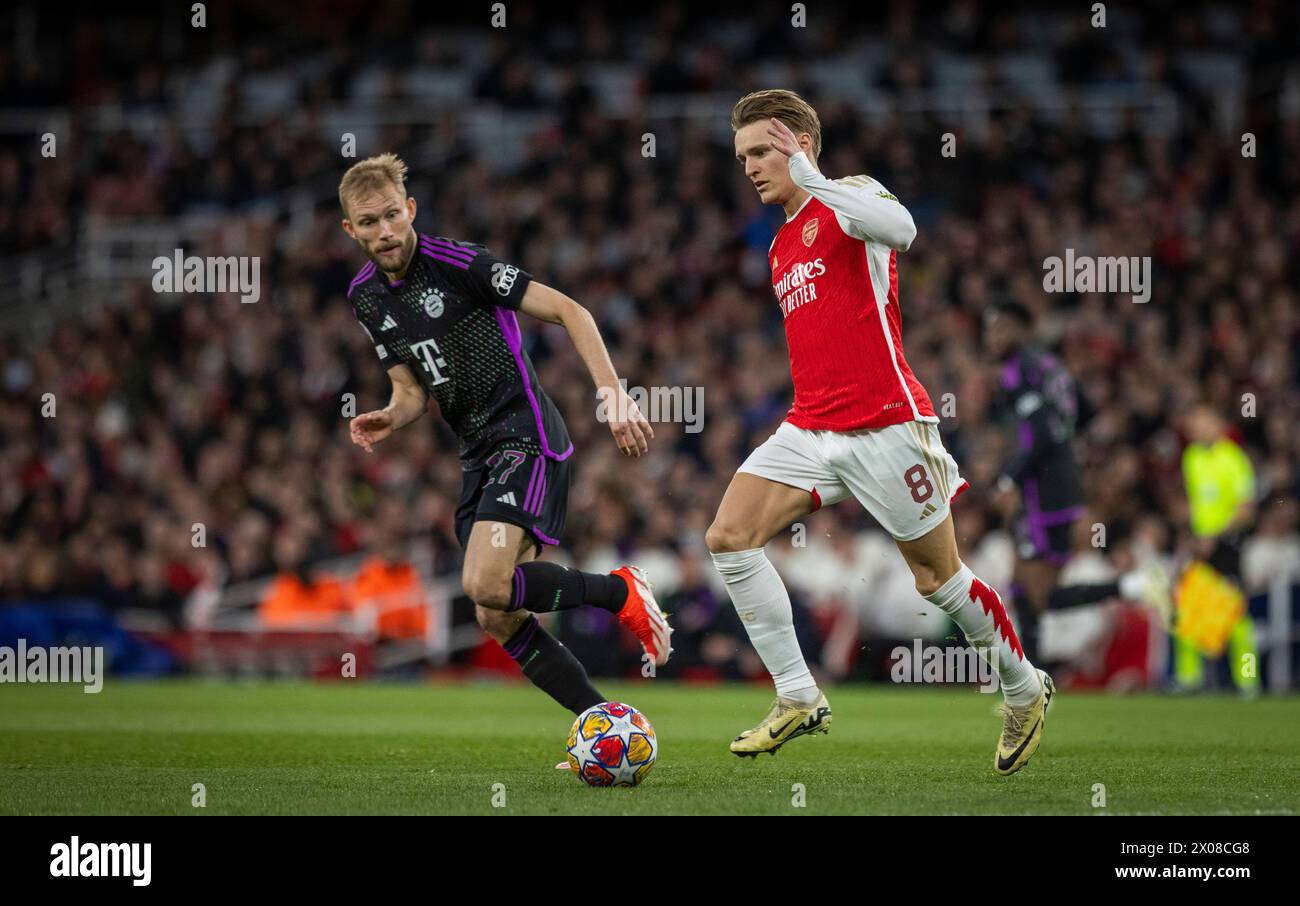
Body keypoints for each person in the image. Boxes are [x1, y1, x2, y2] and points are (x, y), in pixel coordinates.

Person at [709, 90, 1051, 773]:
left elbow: (903, 233)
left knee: (937, 579)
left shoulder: (851, 195)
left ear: (800, 142)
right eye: (742, 155)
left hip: (887, 425)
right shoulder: (779, 244)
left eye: (761, 151)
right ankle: (798, 695)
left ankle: (1022, 687)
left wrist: (809, 177)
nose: (749, 168)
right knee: (728, 537)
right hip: (810, 427)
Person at [339, 153, 672, 722]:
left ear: (410, 209)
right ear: (350, 229)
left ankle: (619, 592)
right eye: (369, 222)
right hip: (477, 455)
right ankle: (607, 723)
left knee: (483, 581)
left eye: (393, 215)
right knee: (493, 610)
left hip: (525, 434)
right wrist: (393, 416)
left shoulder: (459, 263)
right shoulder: (365, 297)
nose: (385, 231)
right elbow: (412, 390)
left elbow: (571, 310)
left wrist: (612, 393)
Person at [984, 300, 1169, 668]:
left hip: (1044, 495)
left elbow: (1042, 437)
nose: (995, 337)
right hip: (1061, 487)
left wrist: (1008, 479)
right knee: (1023, 589)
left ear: (1022, 330)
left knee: (1039, 594)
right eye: (991, 329)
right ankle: (1033, 684)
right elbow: (1086, 416)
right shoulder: (1055, 368)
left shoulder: (1019, 370)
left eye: (1003, 327)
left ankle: (1128, 587)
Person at [1177, 404, 1259, 694]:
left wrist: (1216, 534)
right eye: (1193, 425)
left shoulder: (1233, 459)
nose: (1196, 430)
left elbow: (1247, 510)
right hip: (1201, 545)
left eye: (1202, 423)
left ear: (1218, 425)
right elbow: (1196, 503)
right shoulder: (1192, 457)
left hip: (1227, 544)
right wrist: (1193, 536)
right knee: (1188, 610)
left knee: (1235, 615)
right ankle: (1190, 680)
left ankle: (1247, 681)